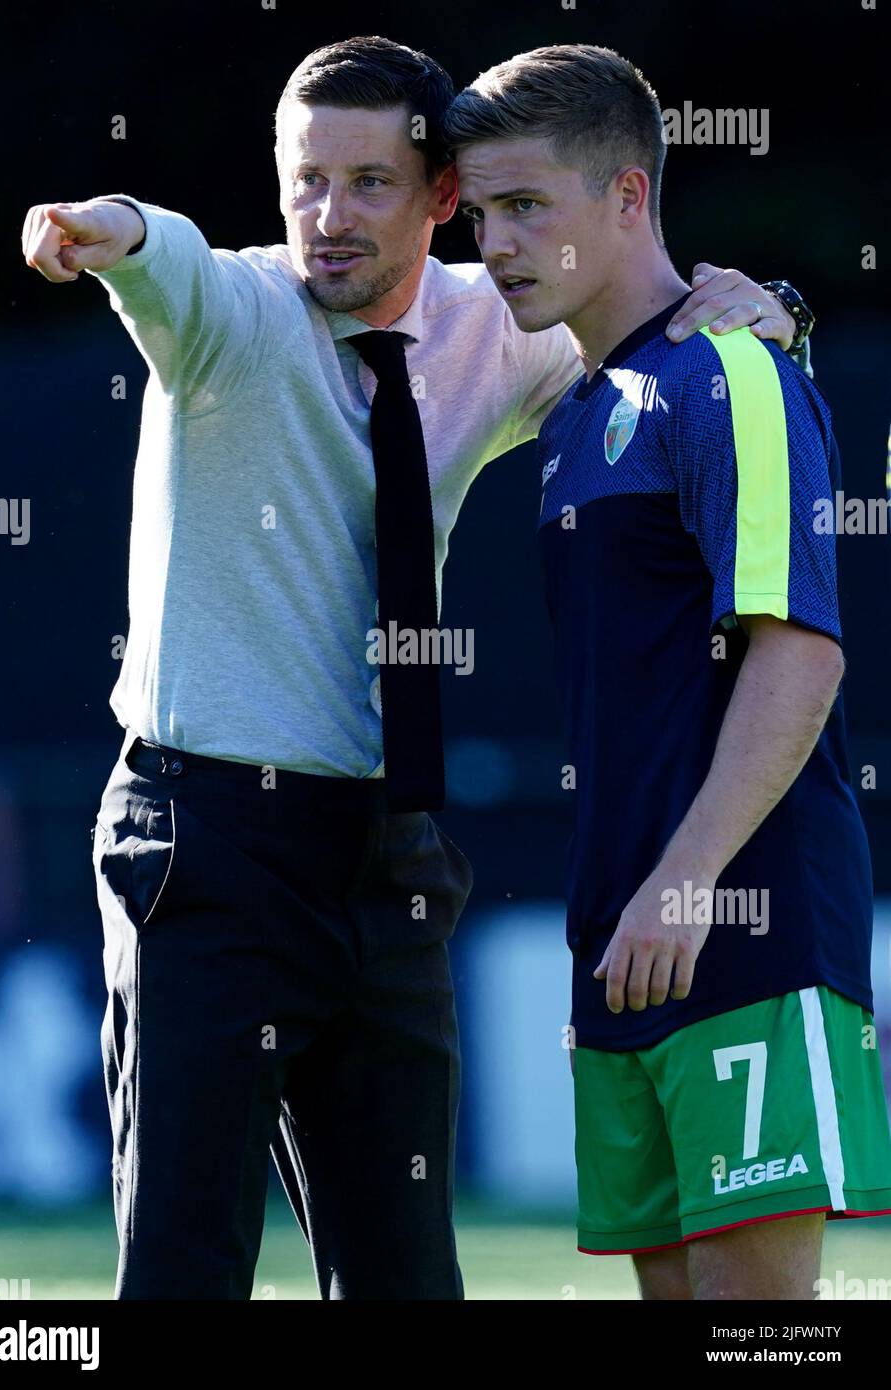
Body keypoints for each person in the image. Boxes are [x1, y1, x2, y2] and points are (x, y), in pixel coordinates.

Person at [21, 35, 800, 1301]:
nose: (325, 218)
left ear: (442, 199)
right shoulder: (232, 312)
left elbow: (656, 331)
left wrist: (771, 311)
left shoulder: (501, 328)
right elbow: (156, 249)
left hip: (390, 857)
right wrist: (93, 226)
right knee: (178, 1268)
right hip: (205, 842)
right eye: (303, 179)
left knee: (407, 1285)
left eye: (368, 182)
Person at [446, 41, 891, 1300]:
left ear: (628, 195)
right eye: (480, 213)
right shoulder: (578, 407)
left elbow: (797, 654)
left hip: (739, 920)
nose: (496, 243)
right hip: (623, 935)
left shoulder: (729, 378)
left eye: (526, 204)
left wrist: (689, 883)